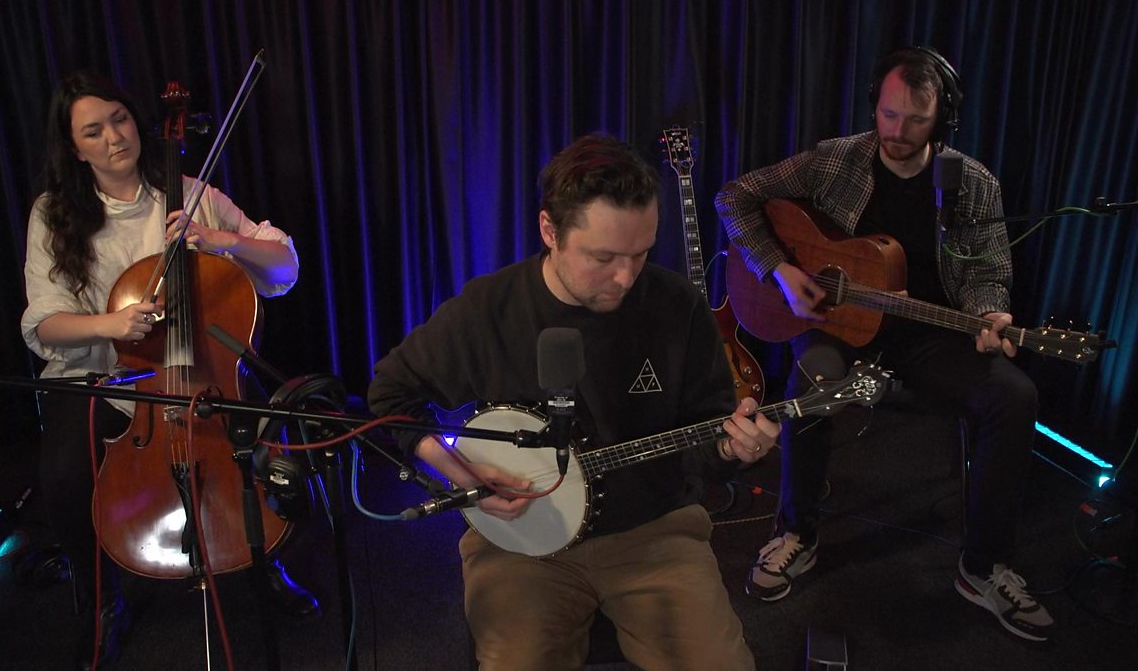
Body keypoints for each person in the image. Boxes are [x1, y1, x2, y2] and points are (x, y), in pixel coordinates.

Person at [368, 133, 781, 670]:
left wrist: (732, 450)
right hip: (519, 542)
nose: (625, 277)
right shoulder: (489, 310)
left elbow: (705, 434)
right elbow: (388, 396)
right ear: (550, 231)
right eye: (604, 256)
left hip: (653, 532)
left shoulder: (677, 306)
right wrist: (460, 477)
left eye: (641, 254)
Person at [714, 47, 1054, 641]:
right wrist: (778, 271)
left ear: (942, 118)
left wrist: (990, 313)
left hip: (929, 333)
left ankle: (982, 568)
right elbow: (733, 197)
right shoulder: (835, 161)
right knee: (811, 384)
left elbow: (988, 272)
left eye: (915, 120)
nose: (897, 132)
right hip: (837, 325)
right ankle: (797, 532)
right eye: (888, 114)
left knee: (1014, 396)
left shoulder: (970, 182)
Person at [20, 70, 316, 668]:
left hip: (199, 368)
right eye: (93, 131)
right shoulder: (54, 214)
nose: (114, 139)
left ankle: (263, 561)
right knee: (66, 475)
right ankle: (104, 595)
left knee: (266, 446)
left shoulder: (191, 191)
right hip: (106, 375)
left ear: (137, 121)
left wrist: (220, 240)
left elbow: (283, 267)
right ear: (74, 146)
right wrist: (112, 326)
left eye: (121, 120)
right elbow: (43, 325)